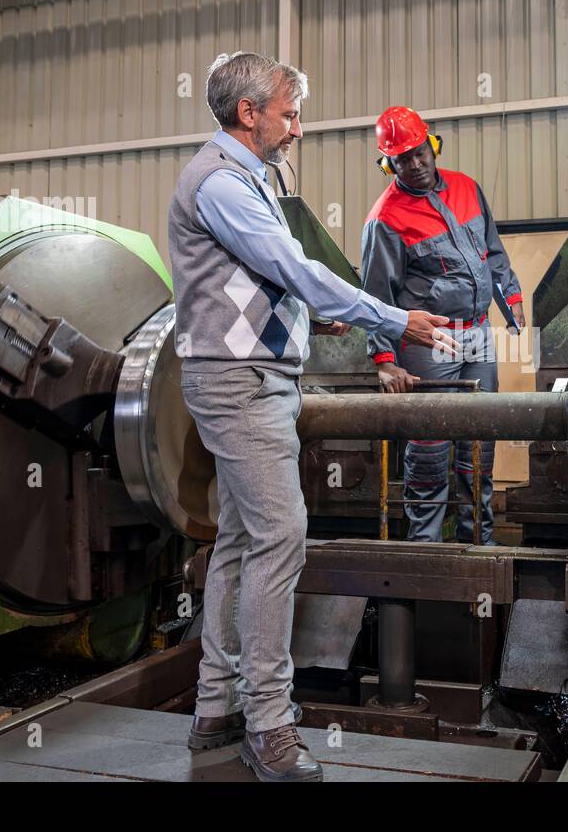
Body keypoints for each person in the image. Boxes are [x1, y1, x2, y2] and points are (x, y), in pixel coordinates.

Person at [169, 55, 457, 781]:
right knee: (281, 536)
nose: (297, 128)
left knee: (240, 541)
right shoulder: (223, 183)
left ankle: (215, 710)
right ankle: (269, 728)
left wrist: (310, 323)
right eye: (289, 114)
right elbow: (293, 267)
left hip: (251, 376)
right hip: (239, 385)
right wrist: (392, 318)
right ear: (249, 115)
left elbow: (261, 281)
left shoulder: (246, 179)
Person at [359, 105, 524, 545]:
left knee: (479, 444)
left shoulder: (468, 188)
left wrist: (510, 298)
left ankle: (479, 546)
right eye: (401, 159)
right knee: (430, 450)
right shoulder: (385, 219)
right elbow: (376, 297)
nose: (414, 165)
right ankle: (425, 550)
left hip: (477, 335)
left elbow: (493, 250)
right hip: (429, 341)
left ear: (431, 144)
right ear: (387, 163)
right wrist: (384, 360)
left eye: (418, 153)